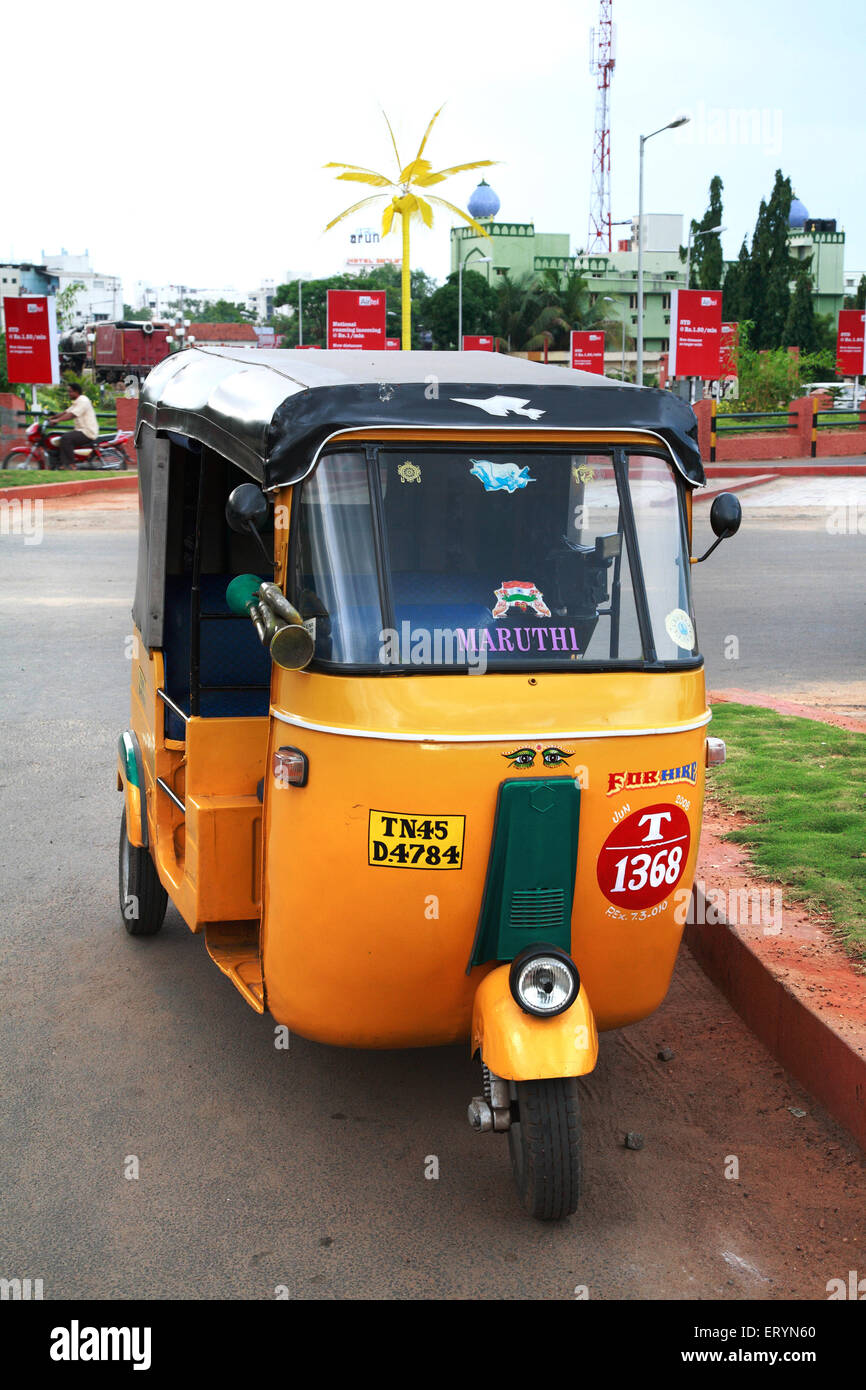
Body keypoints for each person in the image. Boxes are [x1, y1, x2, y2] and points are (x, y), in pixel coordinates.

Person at [49, 384, 99, 468]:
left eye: (70, 391)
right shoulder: (77, 401)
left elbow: (72, 415)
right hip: (81, 430)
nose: (69, 394)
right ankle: (62, 463)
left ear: (76, 392)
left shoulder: (83, 401)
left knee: (66, 438)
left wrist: (57, 420)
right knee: (61, 437)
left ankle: (71, 464)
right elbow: (66, 412)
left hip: (87, 431)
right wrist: (52, 417)